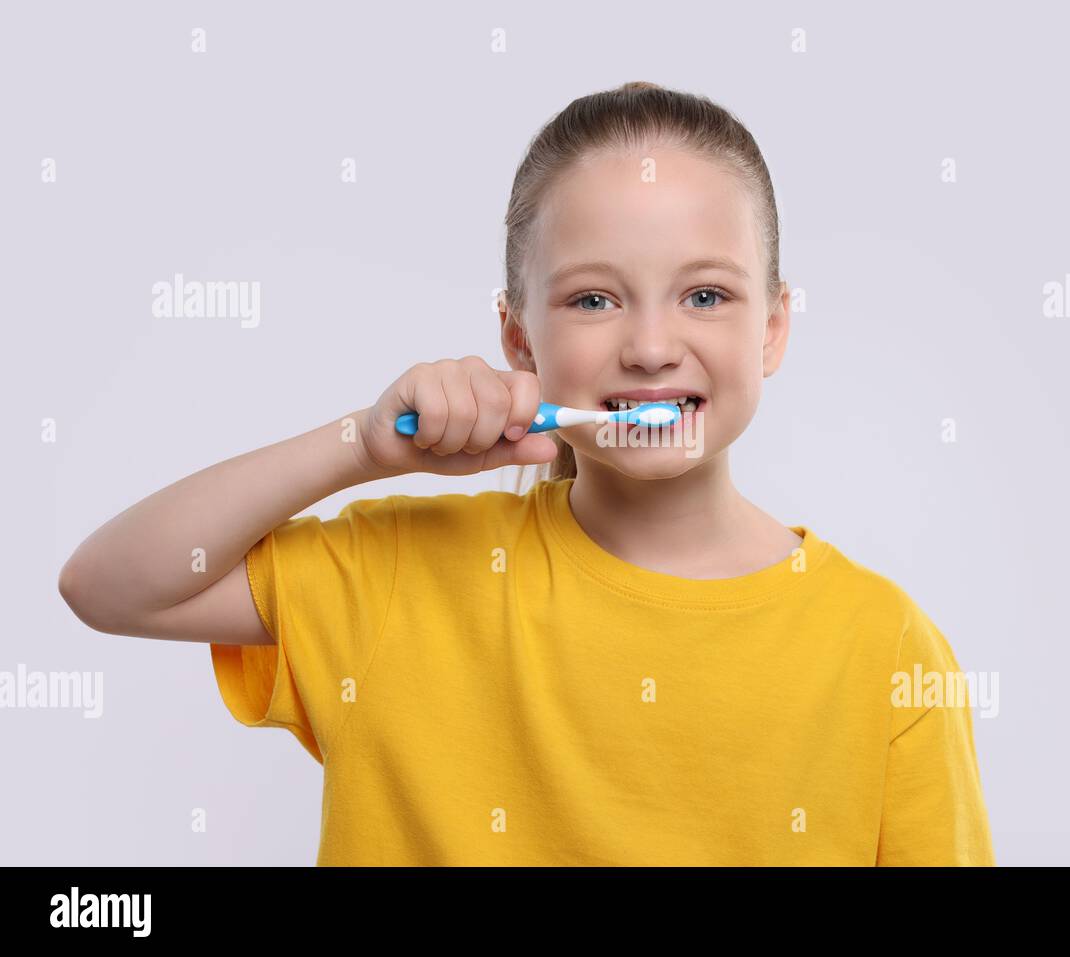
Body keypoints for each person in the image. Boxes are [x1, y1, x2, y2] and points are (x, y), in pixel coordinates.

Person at [58, 81, 995, 866]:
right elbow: (107, 586)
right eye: (594, 298)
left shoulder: (888, 650)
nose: (653, 346)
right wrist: (361, 446)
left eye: (705, 294)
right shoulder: (399, 574)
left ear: (774, 328)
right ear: (518, 338)